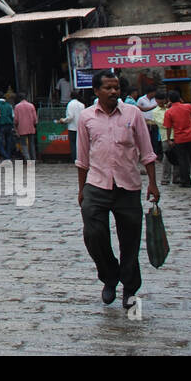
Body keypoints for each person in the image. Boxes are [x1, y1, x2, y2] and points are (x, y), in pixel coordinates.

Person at [76, 70, 158, 309]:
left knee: (130, 240)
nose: (113, 92)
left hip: (128, 185)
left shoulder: (133, 114)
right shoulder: (86, 117)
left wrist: (152, 183)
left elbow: (147, 151)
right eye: (108, 88)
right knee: (93, 233)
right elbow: (82, 158)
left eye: (116, 88)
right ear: (96, 91)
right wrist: (81, 190)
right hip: (96, 184)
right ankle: (109, 276)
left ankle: (129, 287)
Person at [165, 94, 191, 188]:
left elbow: (168, 127)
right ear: (180, 98)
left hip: (179, 138)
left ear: (169, 100)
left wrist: (168, 139)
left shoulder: (169, 112)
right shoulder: (187, 106)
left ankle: (185, 181)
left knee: (183, 161)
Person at [58, 92, 86, 164]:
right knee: (80, 144)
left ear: (70, 96)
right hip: (80, 127)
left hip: (72, 128)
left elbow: (70, 117)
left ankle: (74, 159)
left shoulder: (70, 104)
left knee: (73, 144)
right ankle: (81, 159)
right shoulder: (82, 105)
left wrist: (63, 120)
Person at [13, 93, 38, 161]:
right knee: (31, 144)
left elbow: (16, 119)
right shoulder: (31, 106)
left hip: (22, 128)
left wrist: (15, 127)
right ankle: (34, 159)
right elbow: (35, 118)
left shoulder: (17, 107)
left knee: (24, 145)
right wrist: (35, 124)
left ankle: (27, 159)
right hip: (31, 127)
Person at [0, 92, 17, 161]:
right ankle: (8, 154)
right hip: (9, 125)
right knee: (9, 141)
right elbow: (12, 116)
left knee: (0, 142)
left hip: (1, 126)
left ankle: (6, 156)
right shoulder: (9, 105)